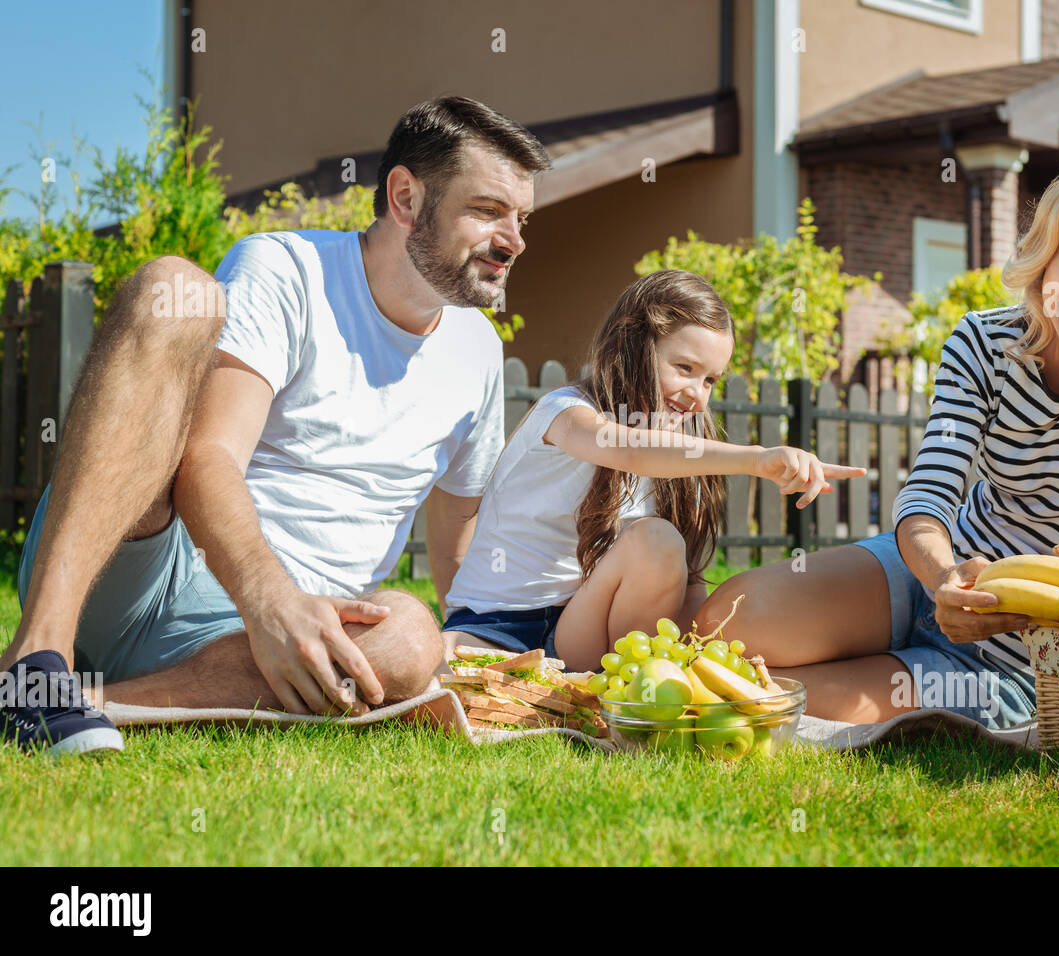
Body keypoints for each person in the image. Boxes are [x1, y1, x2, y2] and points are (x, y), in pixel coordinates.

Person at [1, 96, 550, 754]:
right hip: (153, 561)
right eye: (489, 210)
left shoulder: (480, 352)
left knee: (410, 634)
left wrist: (510, 652)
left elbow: (460, 549)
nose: (515, 239)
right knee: (177, 288)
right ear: (405, 197)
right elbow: (208, 457)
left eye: (522, 218)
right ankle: (36, 661)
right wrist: (269, 599)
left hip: (266, 649)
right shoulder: (285, 269)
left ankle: (81, 705)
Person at [693, 146, 1059, 729]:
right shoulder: (984, 344)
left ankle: (900, 671)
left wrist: (1018, 611)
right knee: (724, 626)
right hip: (931, 573)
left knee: (758, 698)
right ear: (1047, 252)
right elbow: (929, 493)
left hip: (1023, 657)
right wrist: (943, 579)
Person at [439, 269, 867, 672]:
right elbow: (626, 449)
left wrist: (704, 653)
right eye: (685, 369)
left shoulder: (680, 452)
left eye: (710, 380)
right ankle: (613, 688)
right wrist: (756, 460)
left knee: (662, 544)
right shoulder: (566, 413)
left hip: (577, 630)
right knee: (655, 539)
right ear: (633, 347)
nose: (698, 396)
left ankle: (628, 692)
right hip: (498, 628)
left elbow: (688, 585)